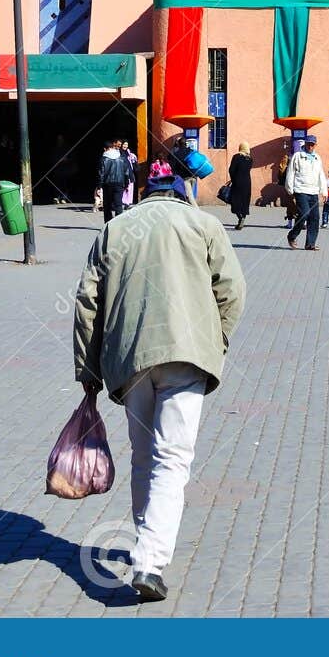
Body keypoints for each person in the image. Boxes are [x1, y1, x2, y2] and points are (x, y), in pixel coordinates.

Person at [72, 169, 245, 603]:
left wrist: (88, 369)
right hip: (187, 357)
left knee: (144, 457)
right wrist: (215, 341)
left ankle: (145, 544)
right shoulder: (204, 224)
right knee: (172, 460)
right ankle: (149, 563)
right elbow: (232, 289)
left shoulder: (115, 229)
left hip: (129, 359)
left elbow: (87, 301)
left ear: (143, 192)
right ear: (180, 191)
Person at [284, 134, 324, 250]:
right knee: (304, 214)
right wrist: (289, 189)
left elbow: (321, 174)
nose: (310, 146)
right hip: (300, 190)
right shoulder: (297, 156)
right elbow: (290, 172)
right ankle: (292, 236)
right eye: (309, 144)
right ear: (305, 144)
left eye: (312, 144)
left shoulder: (317, 158)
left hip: (313, 191)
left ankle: (310, 244)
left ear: (316, 145)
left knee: (315, 218)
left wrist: (324, 191)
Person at [97, 139, 132, 224]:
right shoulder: (121, 158)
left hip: (107, 184)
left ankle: (108, 224)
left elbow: (101, 173)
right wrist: (126, 183)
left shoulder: (103, 159)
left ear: (105, 149)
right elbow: (126, 172)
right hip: (119, 183)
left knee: (107, 205)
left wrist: (99, 186)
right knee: (118, 204)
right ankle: (118, 224)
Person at [227, 142, 252, 229]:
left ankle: (240, 217)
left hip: (237, 182)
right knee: (245, 201)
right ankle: (243, 218)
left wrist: (233, 179)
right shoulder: (250, 159)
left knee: (235, 201)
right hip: (247, 182)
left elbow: (231, 170)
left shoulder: (236, 157)